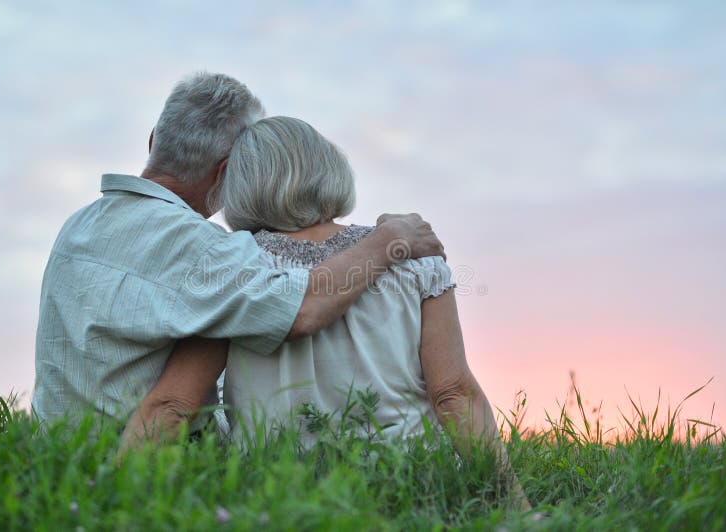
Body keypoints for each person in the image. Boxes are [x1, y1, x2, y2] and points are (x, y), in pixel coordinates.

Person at [122, 116, 531, 510]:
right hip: (413, 486)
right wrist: (515, 504)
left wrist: (108, 497)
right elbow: (453, 394)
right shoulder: (414, 259)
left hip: (277, 500)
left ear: (238, 187)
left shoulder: (232, 272)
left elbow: (173, 403)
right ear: (329, 169)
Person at [32, 73, 444, 427]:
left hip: (56, 459)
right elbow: (303, 308)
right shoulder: (199, 245)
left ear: (154, 139)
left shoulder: (78, 225)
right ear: (229, 172)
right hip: (145, 460)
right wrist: (390, 239)